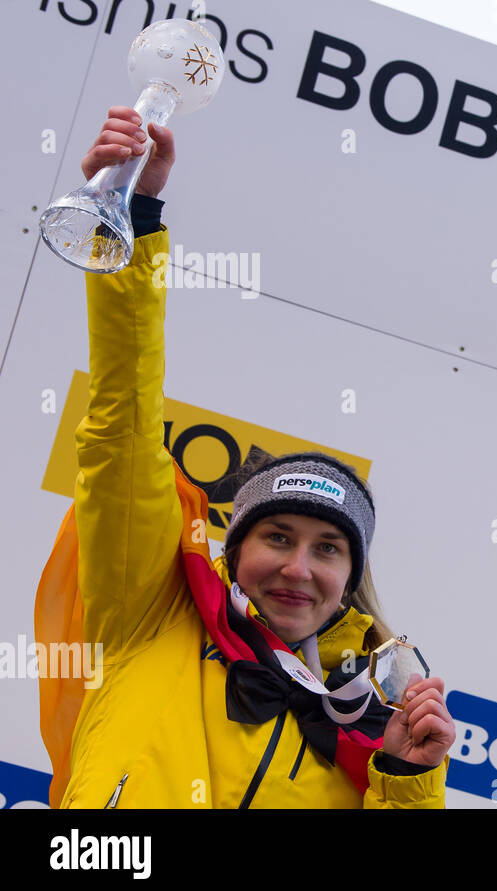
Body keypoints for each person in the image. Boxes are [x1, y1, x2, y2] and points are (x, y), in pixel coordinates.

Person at [33, 107, 454, 808]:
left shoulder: (373, 729)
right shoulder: (151, 607)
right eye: (278, 537)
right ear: (236, 544)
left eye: (327, 549)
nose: (297, 567)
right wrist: (129, 214)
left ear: (350, 579)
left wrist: (408, 781)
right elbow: (122, 418)